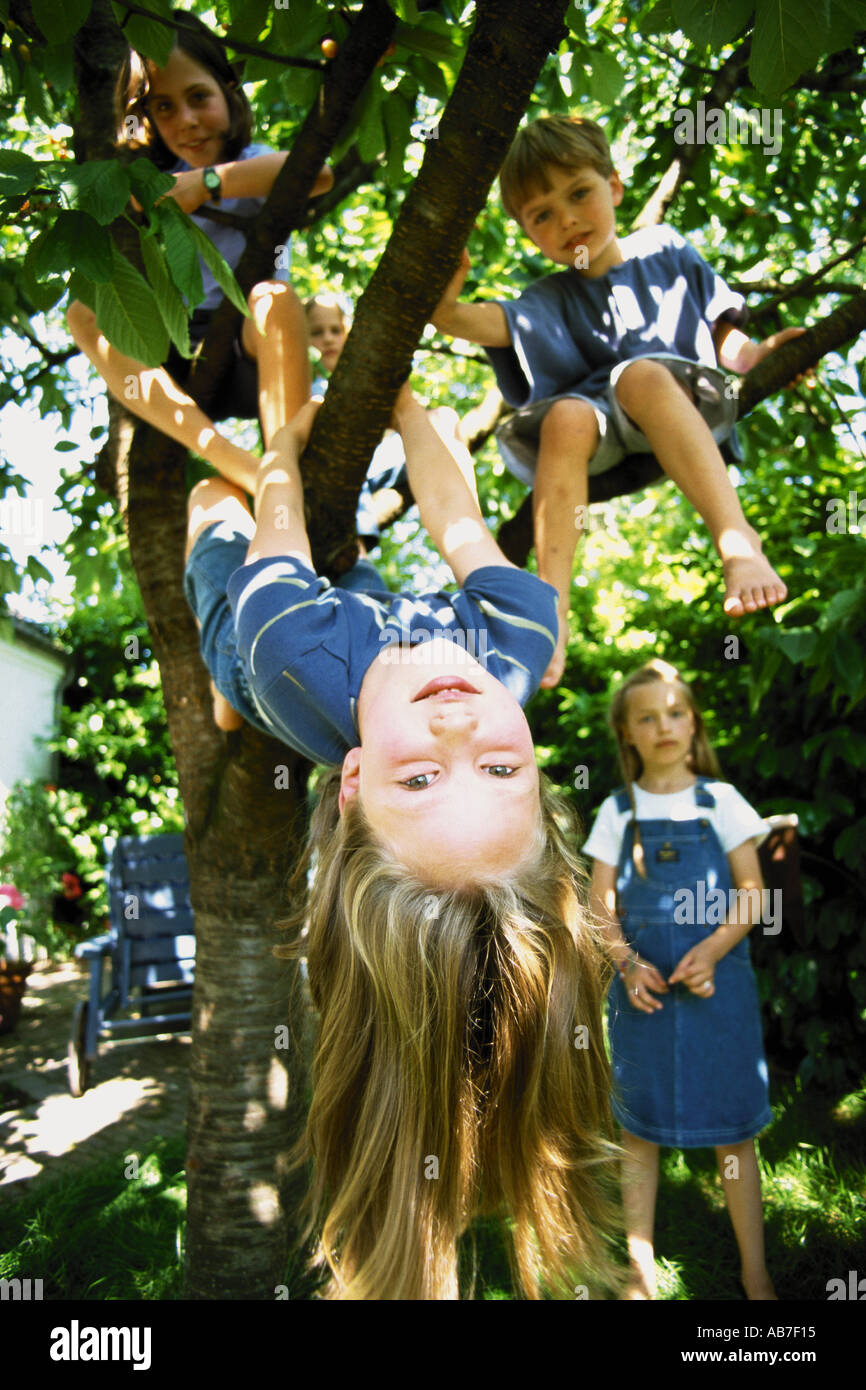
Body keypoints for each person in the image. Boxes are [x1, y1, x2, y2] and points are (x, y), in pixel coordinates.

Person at [184, 385, 621, 1299]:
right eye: (501, 771)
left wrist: (292, 429)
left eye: (420, 781)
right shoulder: (517, 639)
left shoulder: (287, 647)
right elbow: (455, 513)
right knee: (360, 576)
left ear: (350, 787)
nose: (461, 731)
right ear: (537, 773)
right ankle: (334, 601)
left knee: (212, 508)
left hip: (267, 640)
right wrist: (405, 406)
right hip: (371, 612)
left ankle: (223, 688)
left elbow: (276, 494)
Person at [431, 115, 806, 687]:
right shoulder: (547, 298)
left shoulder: (665, 248)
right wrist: (443, 297)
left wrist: (761, 358)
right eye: (542, 215)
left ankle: (736, 539)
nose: (568, 219)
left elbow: (725, 337)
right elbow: (467, 321)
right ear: (528, 233)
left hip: (679, 399)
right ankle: (551, 605)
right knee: (565, 416)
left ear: (615, 187)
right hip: (602, 430)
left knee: (642, 377)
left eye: (579, 193)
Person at [66, 9, 332, 493]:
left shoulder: (250, 164)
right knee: (85, 313)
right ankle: (238, 465)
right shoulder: (145, 183)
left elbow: (319, 174)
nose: (186, 121)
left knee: (274, 297)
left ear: (231, 91)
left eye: (199, 98)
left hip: (250, 351)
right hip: (177, 359)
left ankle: (285, 462)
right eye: (163, 108)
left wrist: (208, 183)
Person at [584, 659, 776, 1301]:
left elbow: (752, 893)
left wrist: (715, 948)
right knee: (640, 1129)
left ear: (692, 723)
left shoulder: (720, 801)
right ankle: (639, 1271)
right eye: (646, 717)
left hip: (716, 989)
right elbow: (598, 903)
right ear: (626, 733)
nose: (663, 726)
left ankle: (755, 1274)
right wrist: (625, 961)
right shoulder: (617, 810)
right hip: (645, 995)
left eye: (674, 713)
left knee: (731, 1129)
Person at [305, 292, 409, 553]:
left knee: (429, 439)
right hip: (345, 471)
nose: (327, 338)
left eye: (335, 330)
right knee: (345, 464)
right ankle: (355, 546)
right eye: (317, 332)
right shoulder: (309, 387)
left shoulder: (365, 376)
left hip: (382, 459)